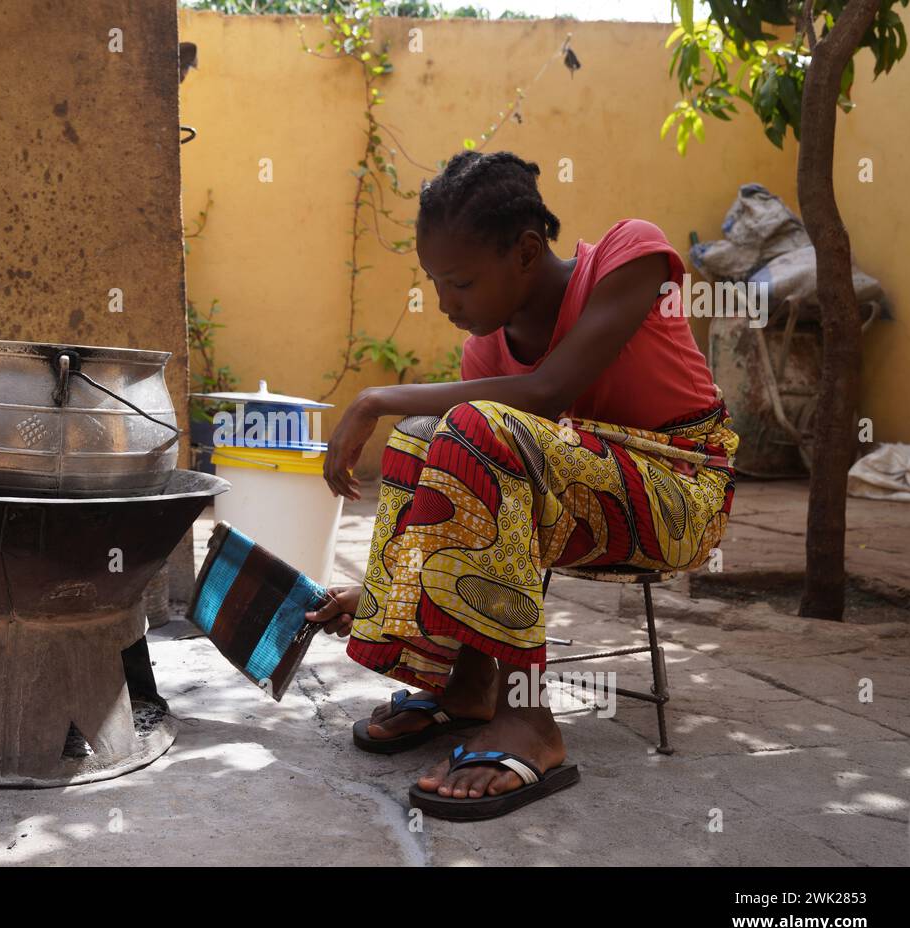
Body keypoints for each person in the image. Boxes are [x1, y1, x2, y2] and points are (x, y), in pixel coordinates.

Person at [304, 150, 739, 821]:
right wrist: (394, 580)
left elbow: (548, 391)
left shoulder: (632, 257)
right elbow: (487, 481)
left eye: (461, 283)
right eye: (436, 283)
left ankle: (529, 720)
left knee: (480, 427)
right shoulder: (490, 343)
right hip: (581, 498)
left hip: (681, 495)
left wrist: (373, 399)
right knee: (427, 432)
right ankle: (467, 687)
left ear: (528, 251)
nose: (445, 303)